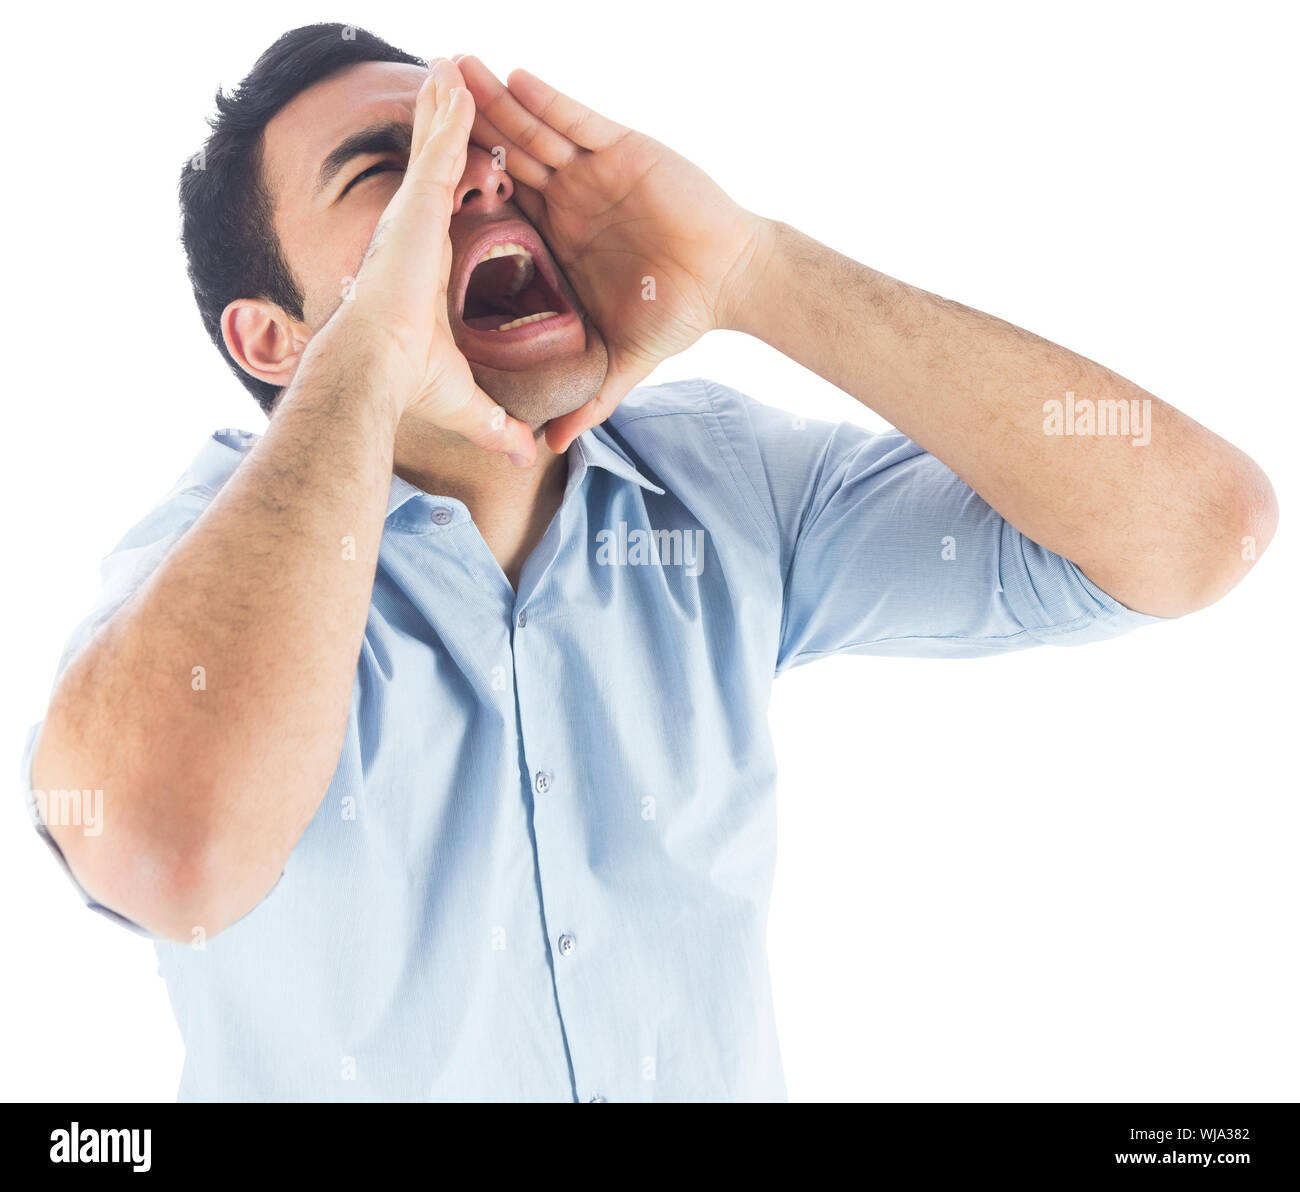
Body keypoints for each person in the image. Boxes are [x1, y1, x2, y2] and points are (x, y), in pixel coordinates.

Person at [23, 24, 1276, 1102]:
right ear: (270, 337)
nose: (473, 183)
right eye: (389, 176)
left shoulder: (717, 482)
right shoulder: (193, 565)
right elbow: (165, 858)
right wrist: (371, 345)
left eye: (476, 150)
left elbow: (1194, 532)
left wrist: (751, 269)